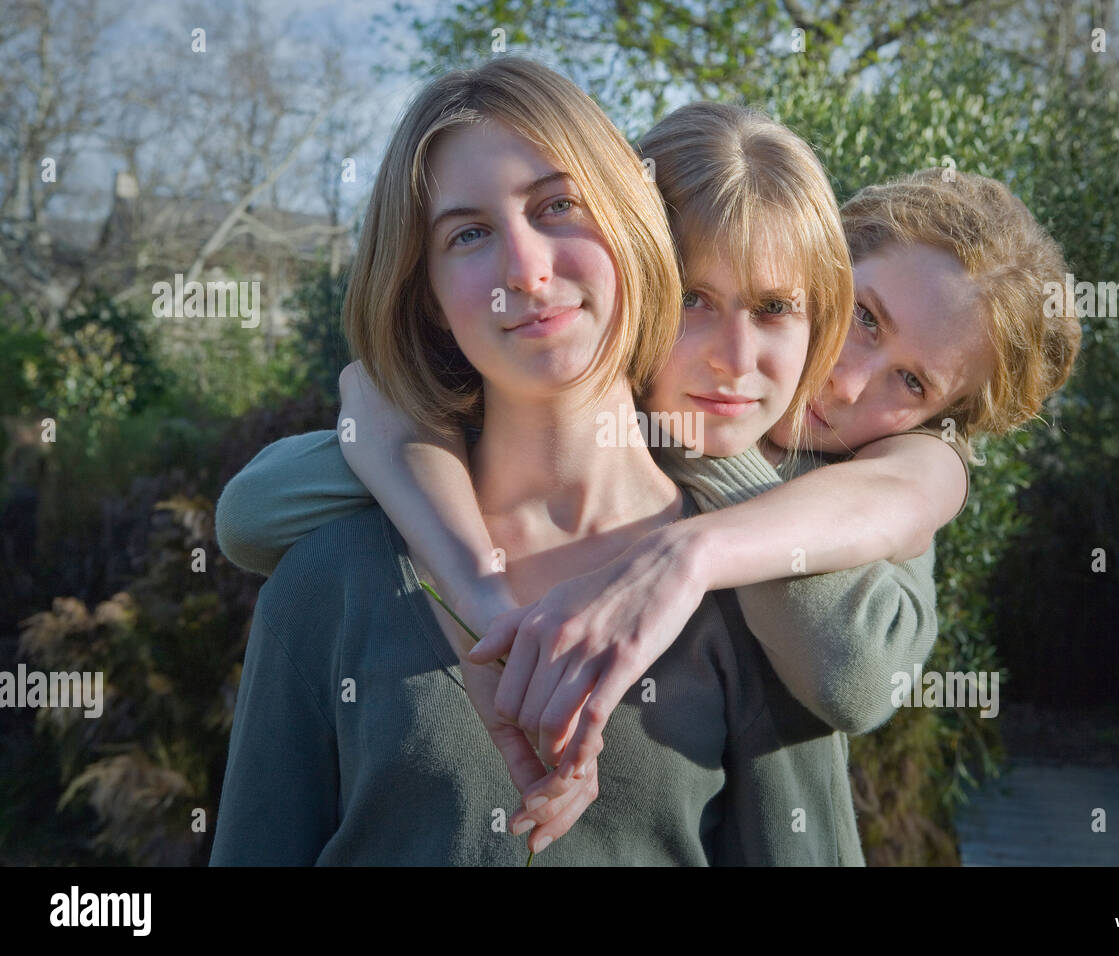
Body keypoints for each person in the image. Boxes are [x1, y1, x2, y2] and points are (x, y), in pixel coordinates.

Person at [211, 58, 872, 866]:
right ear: (428, 297)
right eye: (468, 235)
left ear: (633, 226)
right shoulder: (327, 584)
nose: (525, 270)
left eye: (558, 206)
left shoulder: (764, 594)